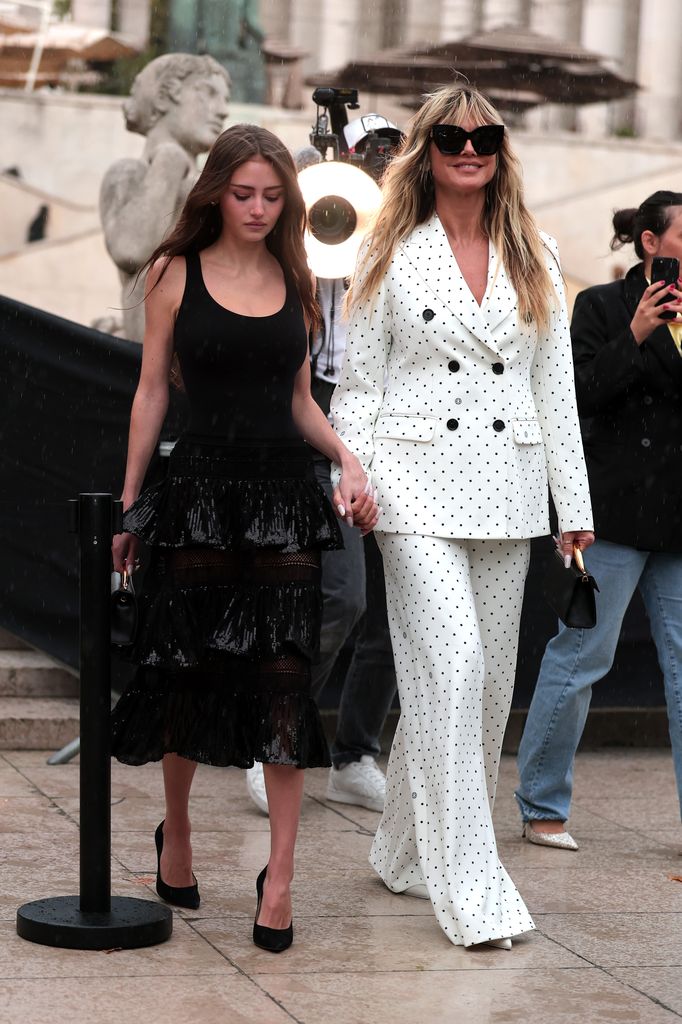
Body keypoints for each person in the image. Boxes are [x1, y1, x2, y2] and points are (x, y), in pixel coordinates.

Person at [330, 84, 594, 949]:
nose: (468, 149)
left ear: (500, 149)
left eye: (484, 137)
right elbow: (358, 383)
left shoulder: (537, 253)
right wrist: (348, 470)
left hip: (510, 488)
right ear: (427, 149)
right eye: (450, 137)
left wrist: (574, 506)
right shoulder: (386, 247)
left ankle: (405, 850)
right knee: (454, 665)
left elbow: (554, 388)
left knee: (482, 690)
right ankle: (474, 888)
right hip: (409, 484)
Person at [109, 123, 377, 953]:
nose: (258, 208)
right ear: (217, 194)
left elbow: (299, 400)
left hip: (285, 496)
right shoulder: (173, 272)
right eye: (243, 193)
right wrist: (131, 504)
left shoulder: (297, 276)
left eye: (271, 195)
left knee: (285, 680)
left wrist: (346, 458)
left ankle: (281, 878)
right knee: (186, 670)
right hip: (196, 494)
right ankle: (178, 832)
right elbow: (151, 391)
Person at [515, 191, 682, 850]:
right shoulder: (603, 306)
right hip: (613, 512)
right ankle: (542, 803)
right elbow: (576, 394)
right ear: (650, 242)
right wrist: (636, 333)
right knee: (583, 654)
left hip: (678, 518)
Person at [245, 125, 400, 817]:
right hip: (313, 421)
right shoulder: (291, 238)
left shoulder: (401, 239)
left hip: (390, 425)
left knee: (396, 611)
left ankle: (356, 752)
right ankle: (273, 735)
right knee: (341, 596)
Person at [100, 53, 231, 342]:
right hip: (154, 354)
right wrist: (169, 161)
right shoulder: (129, 174)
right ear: (162, 98)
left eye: (225, 99)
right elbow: (130, 249)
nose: (223, 111)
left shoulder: (219, 184)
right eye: (208, 93)